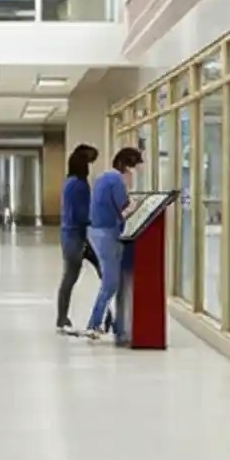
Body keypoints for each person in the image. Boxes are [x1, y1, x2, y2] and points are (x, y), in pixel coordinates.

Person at [86, 147, 144, 343]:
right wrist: (135, 205)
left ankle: (119, 325)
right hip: (107, 233)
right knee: (110, 283)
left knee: (113, 280)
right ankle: (94, 324)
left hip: (96, 231)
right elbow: (124, 207)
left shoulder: (104, 177)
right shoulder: (116, 180)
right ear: (128, 167)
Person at [56, 144, 98, 332]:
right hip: (76, 238)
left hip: (72, 236)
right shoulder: (80, 185)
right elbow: (81, 215)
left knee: (72, 277)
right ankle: (62, 317)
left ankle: (63, 317)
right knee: (71, 276)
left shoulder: (70, 182)